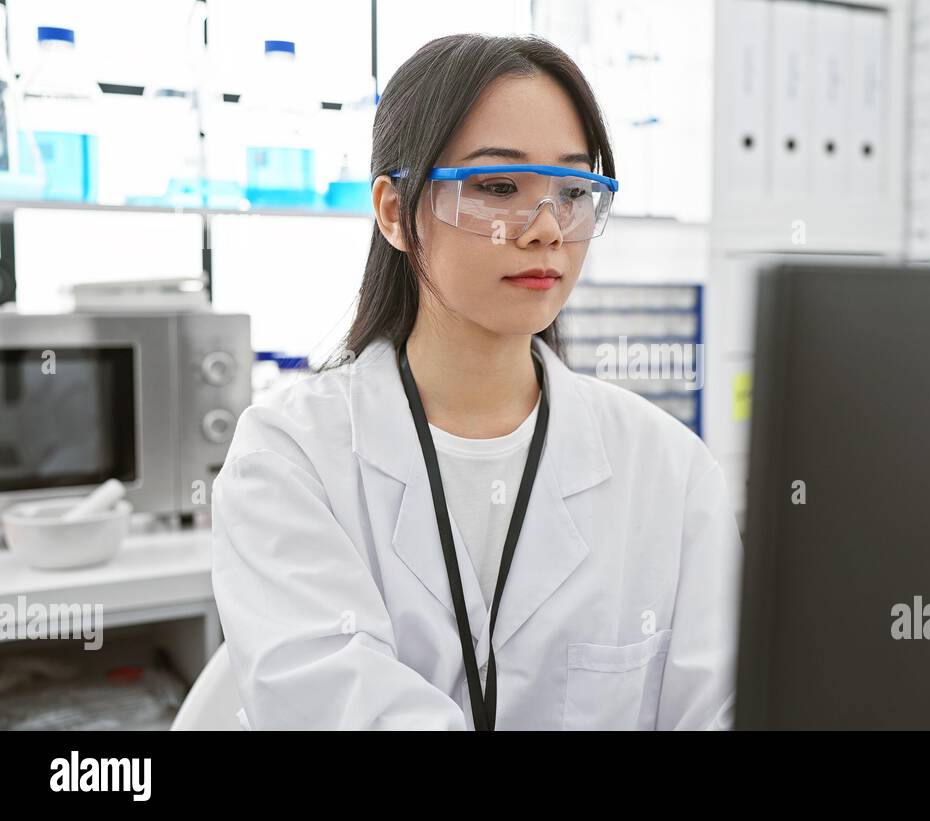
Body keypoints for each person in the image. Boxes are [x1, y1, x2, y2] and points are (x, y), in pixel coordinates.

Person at [210, 33, 743, 730]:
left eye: (574, 189)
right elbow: (332, 705)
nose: (547, 228)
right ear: (396, 212)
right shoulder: (287, 458)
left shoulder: (670, 472)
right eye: (497, 187)